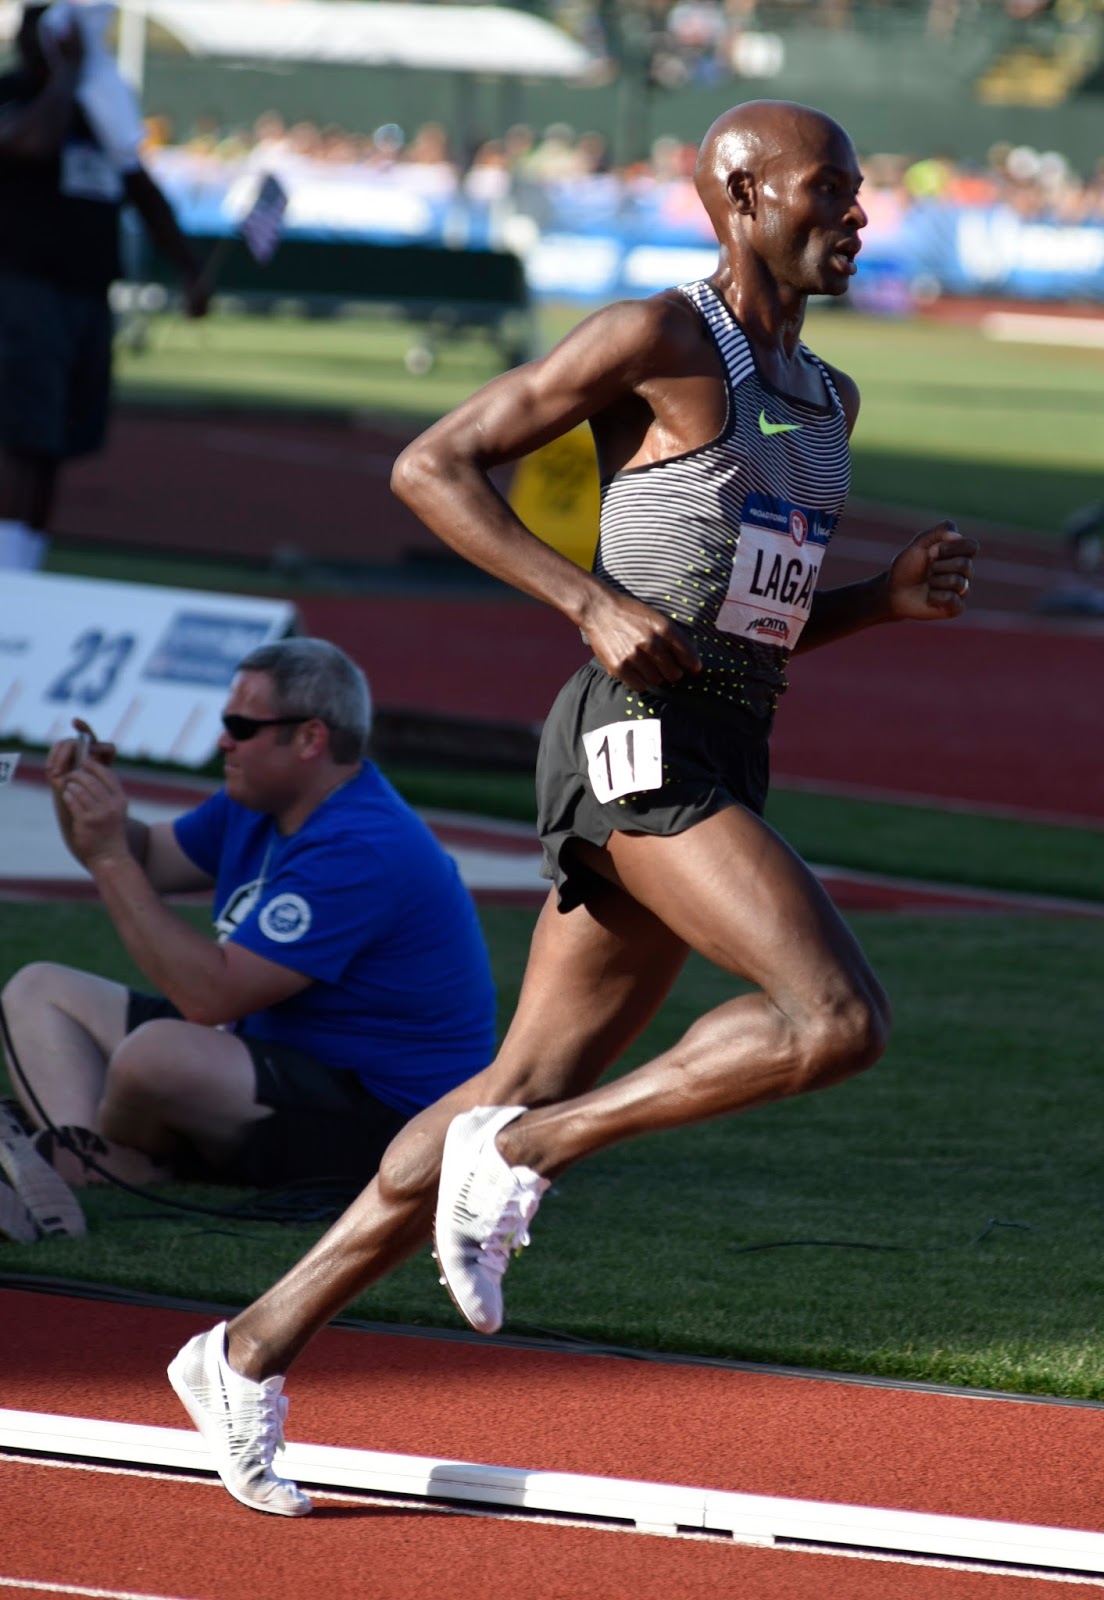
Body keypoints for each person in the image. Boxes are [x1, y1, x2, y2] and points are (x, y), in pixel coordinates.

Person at [165, 100, 978, 1518]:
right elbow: (432, 465)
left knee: (504, 1083)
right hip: (628, 745)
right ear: (737, 194)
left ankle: (246, 1349)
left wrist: (880, 603)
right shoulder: (658, 340)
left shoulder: (832, 397)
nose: (858, 219)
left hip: (722, 737)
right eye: (829, 193)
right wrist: (584, 598)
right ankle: (524, 1160)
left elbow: (749, 629)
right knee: (833, 1020)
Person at [0, 638, 497, 1237]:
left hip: (392, 1116)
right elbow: (151, 857)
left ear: (310, 738)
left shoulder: (361, 845)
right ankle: (80, 1156)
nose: (222, 741)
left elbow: (210, 998)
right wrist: (80, 800)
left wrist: (108, 857)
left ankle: (105, 1154)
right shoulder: (263, 803)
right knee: (39, 989)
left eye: (240, 725)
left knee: (155, 1056)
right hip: (287, 1057)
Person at [0, 4, 210, 570]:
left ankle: (27, 563)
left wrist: (189, 267)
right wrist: (65, 76)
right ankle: (7, 573)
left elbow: (139, 185)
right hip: (23, 292)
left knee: (55, 442)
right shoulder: (16, 94)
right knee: (21, 437)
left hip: (87, 295)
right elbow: (29, 144)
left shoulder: (102, 108)